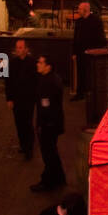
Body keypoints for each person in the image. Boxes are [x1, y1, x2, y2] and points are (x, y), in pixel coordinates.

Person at [31, 55, 66, 192]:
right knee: (52, 152)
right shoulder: (51, 79)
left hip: (49, 124)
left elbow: (46, 106)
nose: (37, 65)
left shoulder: (48, 82)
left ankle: (48, 182)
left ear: (48, 66)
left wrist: (41, 125)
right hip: (54, 123)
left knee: (48, 154)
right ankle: (59, 178)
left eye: (40, 63)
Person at [5, 38, 37, 160]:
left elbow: (35, 82)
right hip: (16, 99)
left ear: (26, 49)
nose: (18, 50)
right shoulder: (12, 63)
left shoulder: (32, 63)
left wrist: (34, 98)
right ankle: (23, 145)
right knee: (19, 123)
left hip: (28, 99)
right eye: (17, 47)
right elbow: (8, 82)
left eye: (20, 47)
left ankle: (29, 149)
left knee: (27, 123)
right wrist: (9, 99)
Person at [72, 1, 107, 100]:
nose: (78, 11)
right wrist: (74, 52)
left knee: (91, 74)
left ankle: (91, 94)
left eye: (79, 9)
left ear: (85, 10)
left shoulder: (96, 21)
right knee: (80, 73)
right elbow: (76, 38)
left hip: (92, 52)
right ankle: (80, 93)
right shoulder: (79, 21)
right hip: (80, 51)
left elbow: (100, 38)